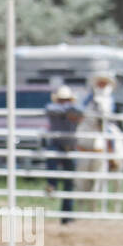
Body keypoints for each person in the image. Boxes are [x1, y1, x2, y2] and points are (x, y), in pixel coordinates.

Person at [44, 84, 83, 225]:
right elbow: (50, 108)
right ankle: (51, 184)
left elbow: (81, 110)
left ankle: (67, 215)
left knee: (69, 182)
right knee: (52, 161)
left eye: (66, 99)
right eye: (62, 99)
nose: (64, 102)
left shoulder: (75, 110)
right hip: (57, 144)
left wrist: (68, 110)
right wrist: (68, 110)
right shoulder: (54, 109)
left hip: (70, 146)